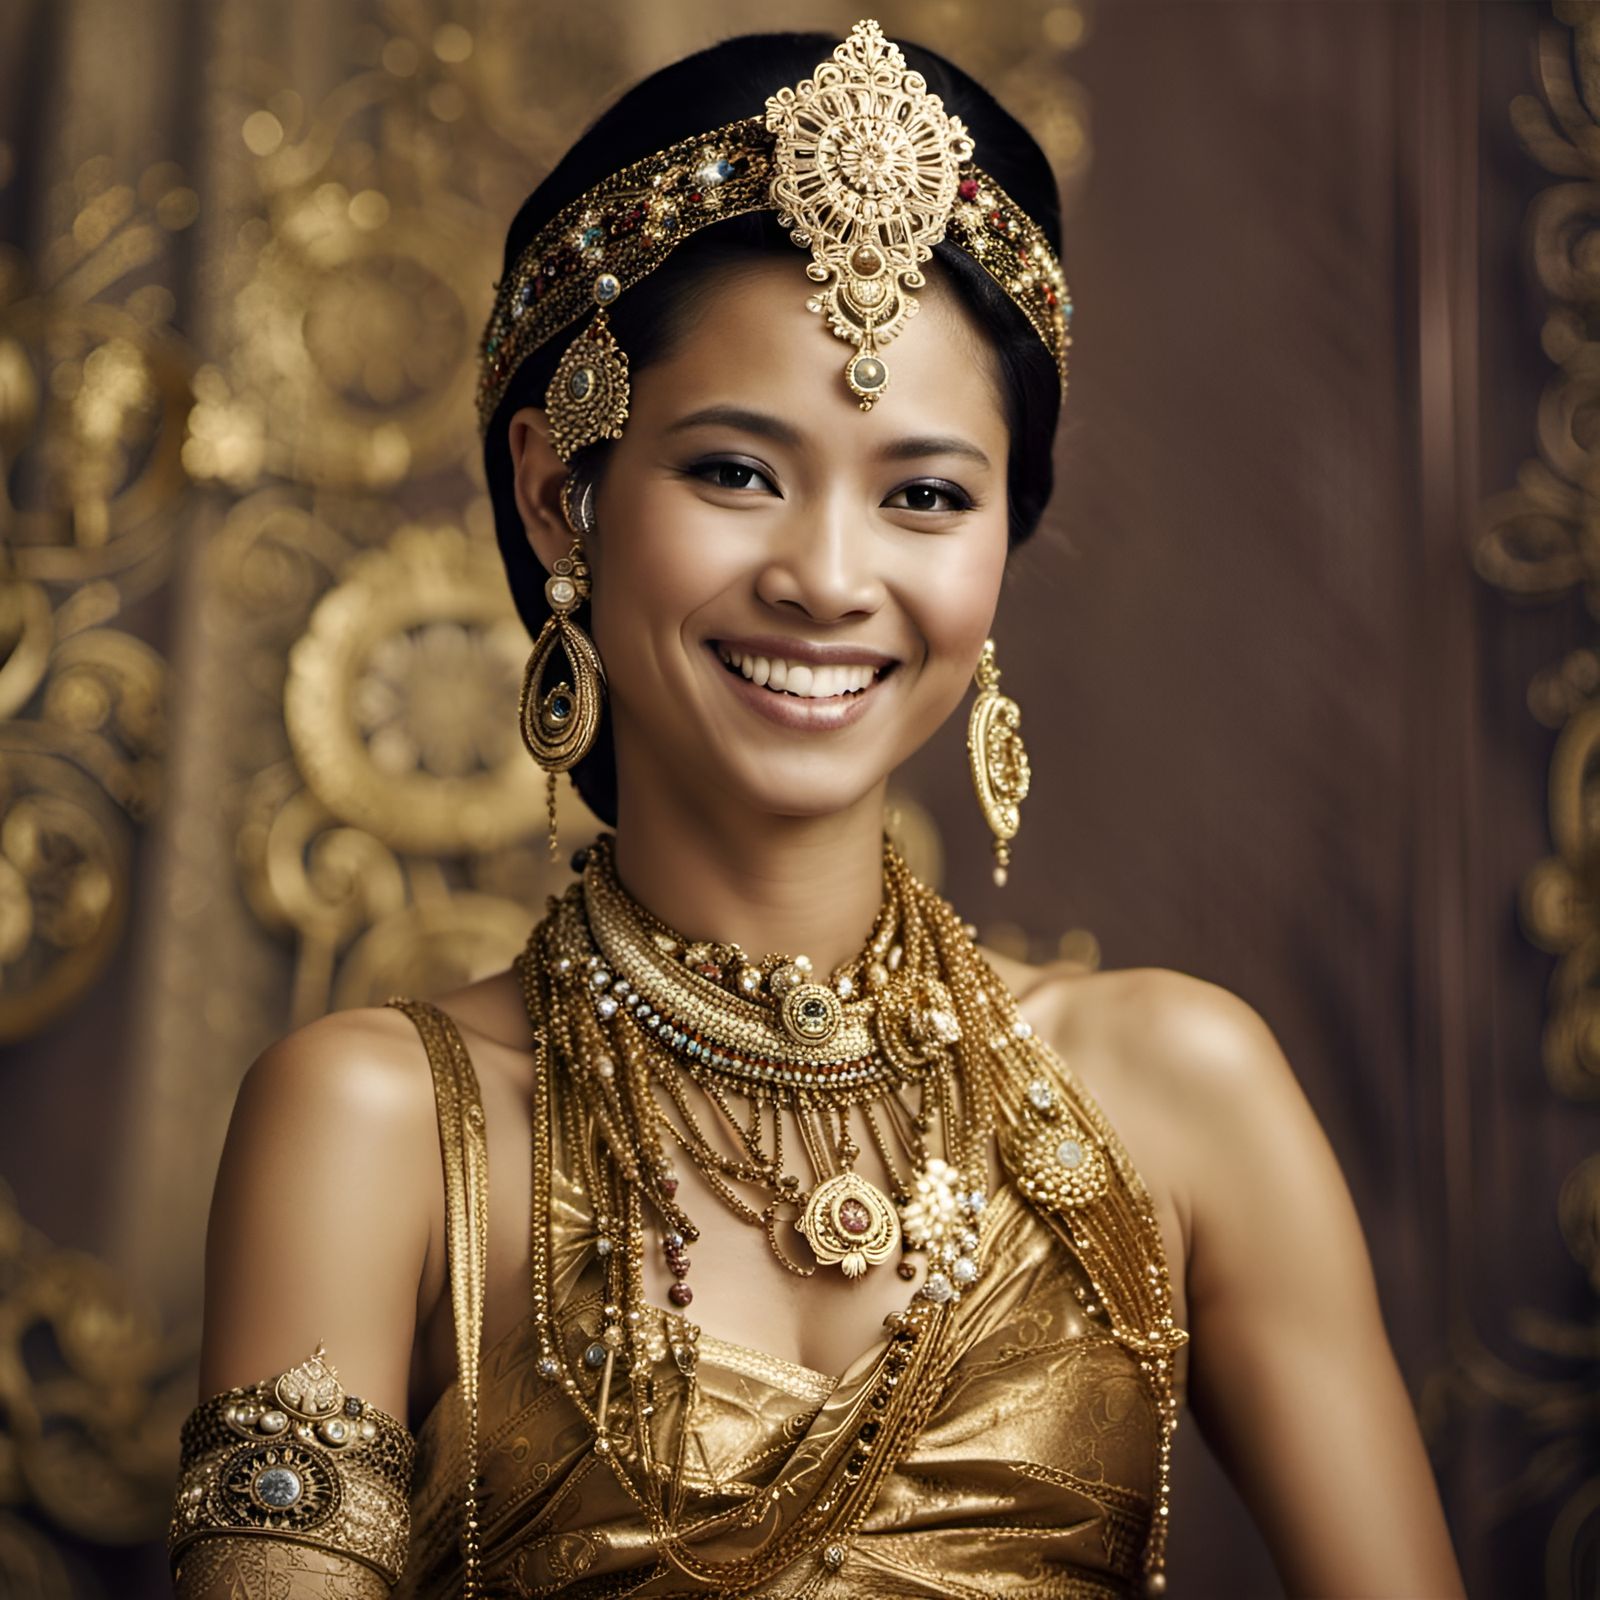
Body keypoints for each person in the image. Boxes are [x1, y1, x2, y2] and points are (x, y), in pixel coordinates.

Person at [167, 23, 1466, 1599]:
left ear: (999, 542)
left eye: (924, 494)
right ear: (555, 491)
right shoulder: (378, 1127)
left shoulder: (1174, 1101)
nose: (831, 580)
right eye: (735, 471)